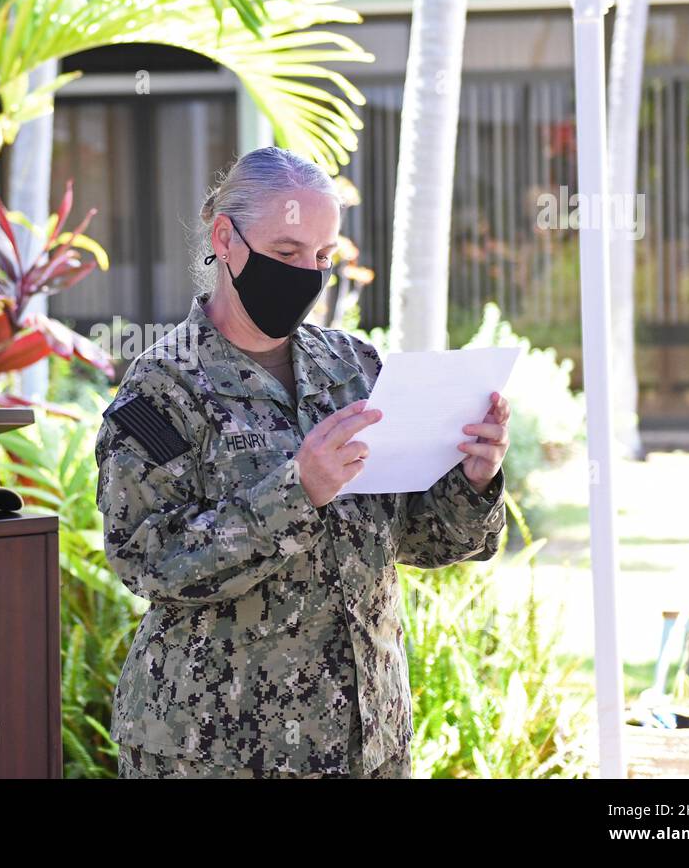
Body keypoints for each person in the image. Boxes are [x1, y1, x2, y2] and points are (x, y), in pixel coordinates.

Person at [95, 146, 511, 779]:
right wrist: (297, 490)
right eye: (287, 253)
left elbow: (419, 537)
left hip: (365, 743)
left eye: (322, 257)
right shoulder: (161, 387)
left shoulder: (355, 368)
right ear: (225, 240)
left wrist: (473, 479)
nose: (307, 274)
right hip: (213, 752)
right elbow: (148, 559)